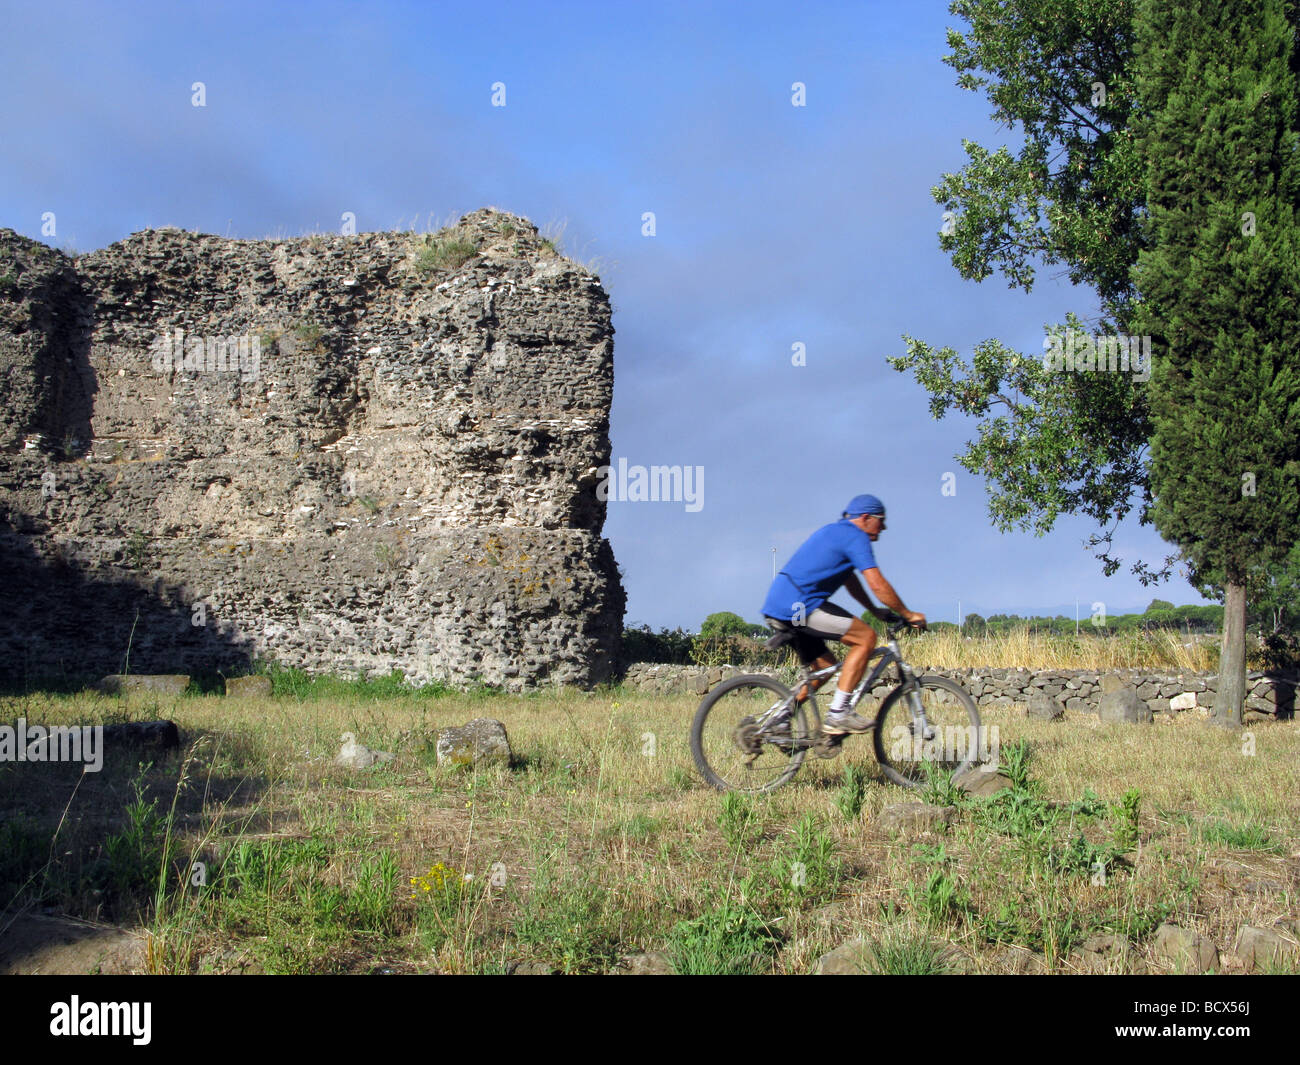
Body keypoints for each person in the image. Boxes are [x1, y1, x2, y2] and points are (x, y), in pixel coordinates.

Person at [761, 494, 926, 735]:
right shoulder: (855, 536)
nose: (884, 527)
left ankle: (780, 719)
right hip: (799, 605)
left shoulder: (837, 533)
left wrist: (874, 610)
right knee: (866, 638)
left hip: (783, 603)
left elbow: (851, 581)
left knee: (824, 666)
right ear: (866, 518)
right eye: (881, 520)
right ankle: (838, 714)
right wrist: (908, 613)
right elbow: (877, 583)